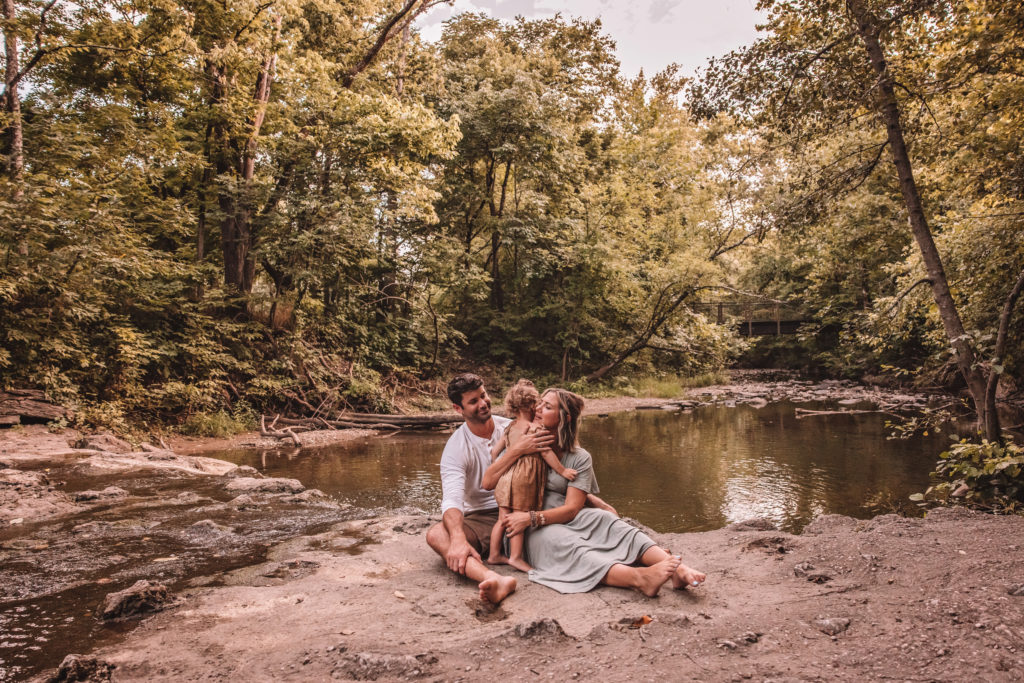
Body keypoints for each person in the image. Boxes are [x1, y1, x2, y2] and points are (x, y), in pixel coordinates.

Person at [483, 388, 706, 596]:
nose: (538, 409)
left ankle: (679, 570)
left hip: (558, 514)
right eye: (539, 404)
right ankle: (638, 578)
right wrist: (517, 452)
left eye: (547, 407)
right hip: (525, 526)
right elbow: (488, 482)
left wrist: (596, 504)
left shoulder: (579, 457)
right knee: (566, 541)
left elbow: (571, 508)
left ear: (565, 418)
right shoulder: (522, 439)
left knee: (607, 520)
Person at [424, 373, 554, 604]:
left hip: (528, 504)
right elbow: (452, 499)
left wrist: (593, 500)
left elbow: (556, 467)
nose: (483, 403)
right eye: (473, 401)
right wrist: (457, 538)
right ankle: (493, 578)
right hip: (485, 516)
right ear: (458, 409)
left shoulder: (512, 426)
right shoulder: (456, 448)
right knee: (436, 534)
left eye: (483, 396)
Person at [488, 379, 578, 572]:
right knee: (518, 517)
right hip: (523, 479)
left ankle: (494, 555)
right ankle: (515, 557)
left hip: (506, 478)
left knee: (502, 518)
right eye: (537, 403)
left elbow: (495, 452)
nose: (539, 408)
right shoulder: (535, 429)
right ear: (529, 405)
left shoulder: (510, 427)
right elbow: (546, 452)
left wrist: (498, 464)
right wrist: (562, 471)